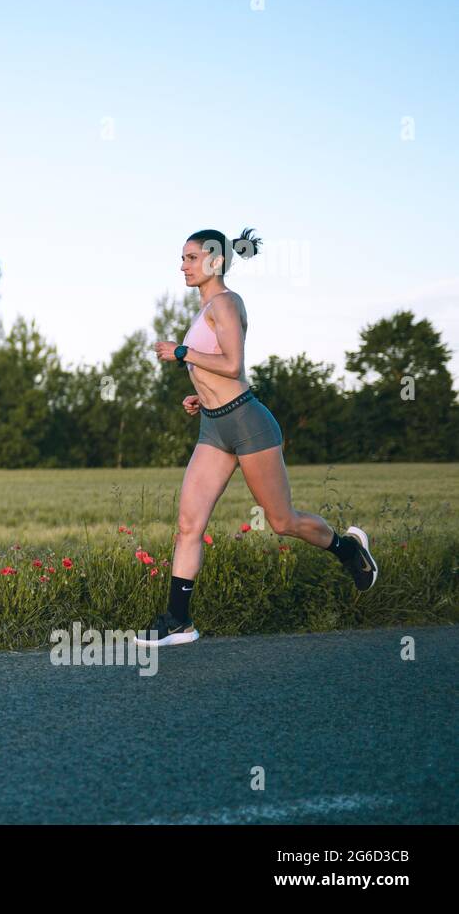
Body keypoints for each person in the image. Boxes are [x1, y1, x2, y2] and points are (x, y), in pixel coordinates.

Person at [134, 228, 377, 647]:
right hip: (213, 426)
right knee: (188, 524)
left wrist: (181, 353)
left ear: (215, 261)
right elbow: (216, 373)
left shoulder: (227, 303)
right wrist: (199, 394)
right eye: (183, 258)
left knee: (282, 521)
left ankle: (348, 549)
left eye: (191, 258)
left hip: (248, 424)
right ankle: (178, 620)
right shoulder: (203, 308)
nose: (183, 265)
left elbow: (232, 364)